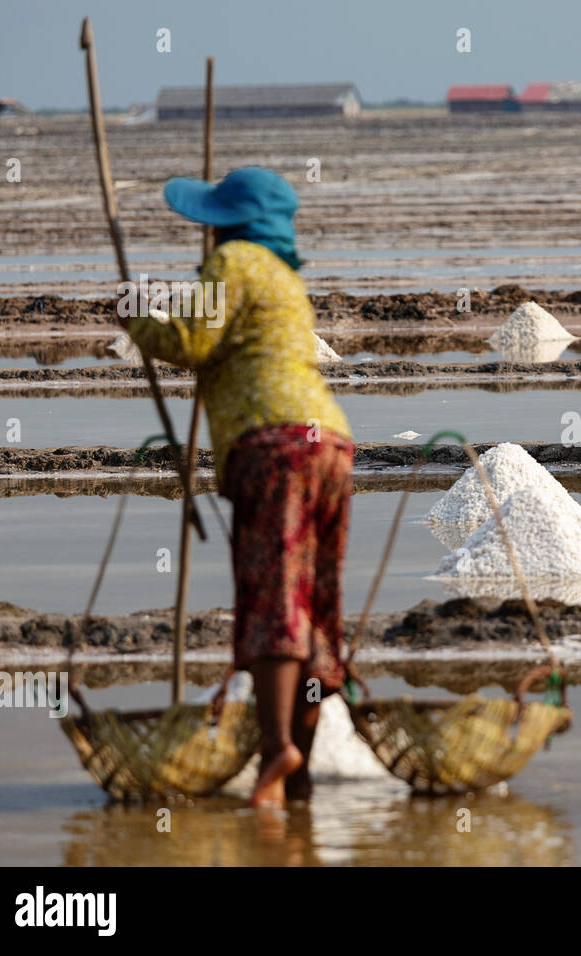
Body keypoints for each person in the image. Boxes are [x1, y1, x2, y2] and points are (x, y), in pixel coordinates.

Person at [127, 166, 353, 807]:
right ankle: (299, 770)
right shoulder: (285, 278)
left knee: (274, 595)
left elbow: (191, 339)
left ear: (228, 223)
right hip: (328, 442)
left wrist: (137, 316)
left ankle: (277, 745)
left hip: (273, 444)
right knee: (314, 607)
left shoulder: (233, 260)